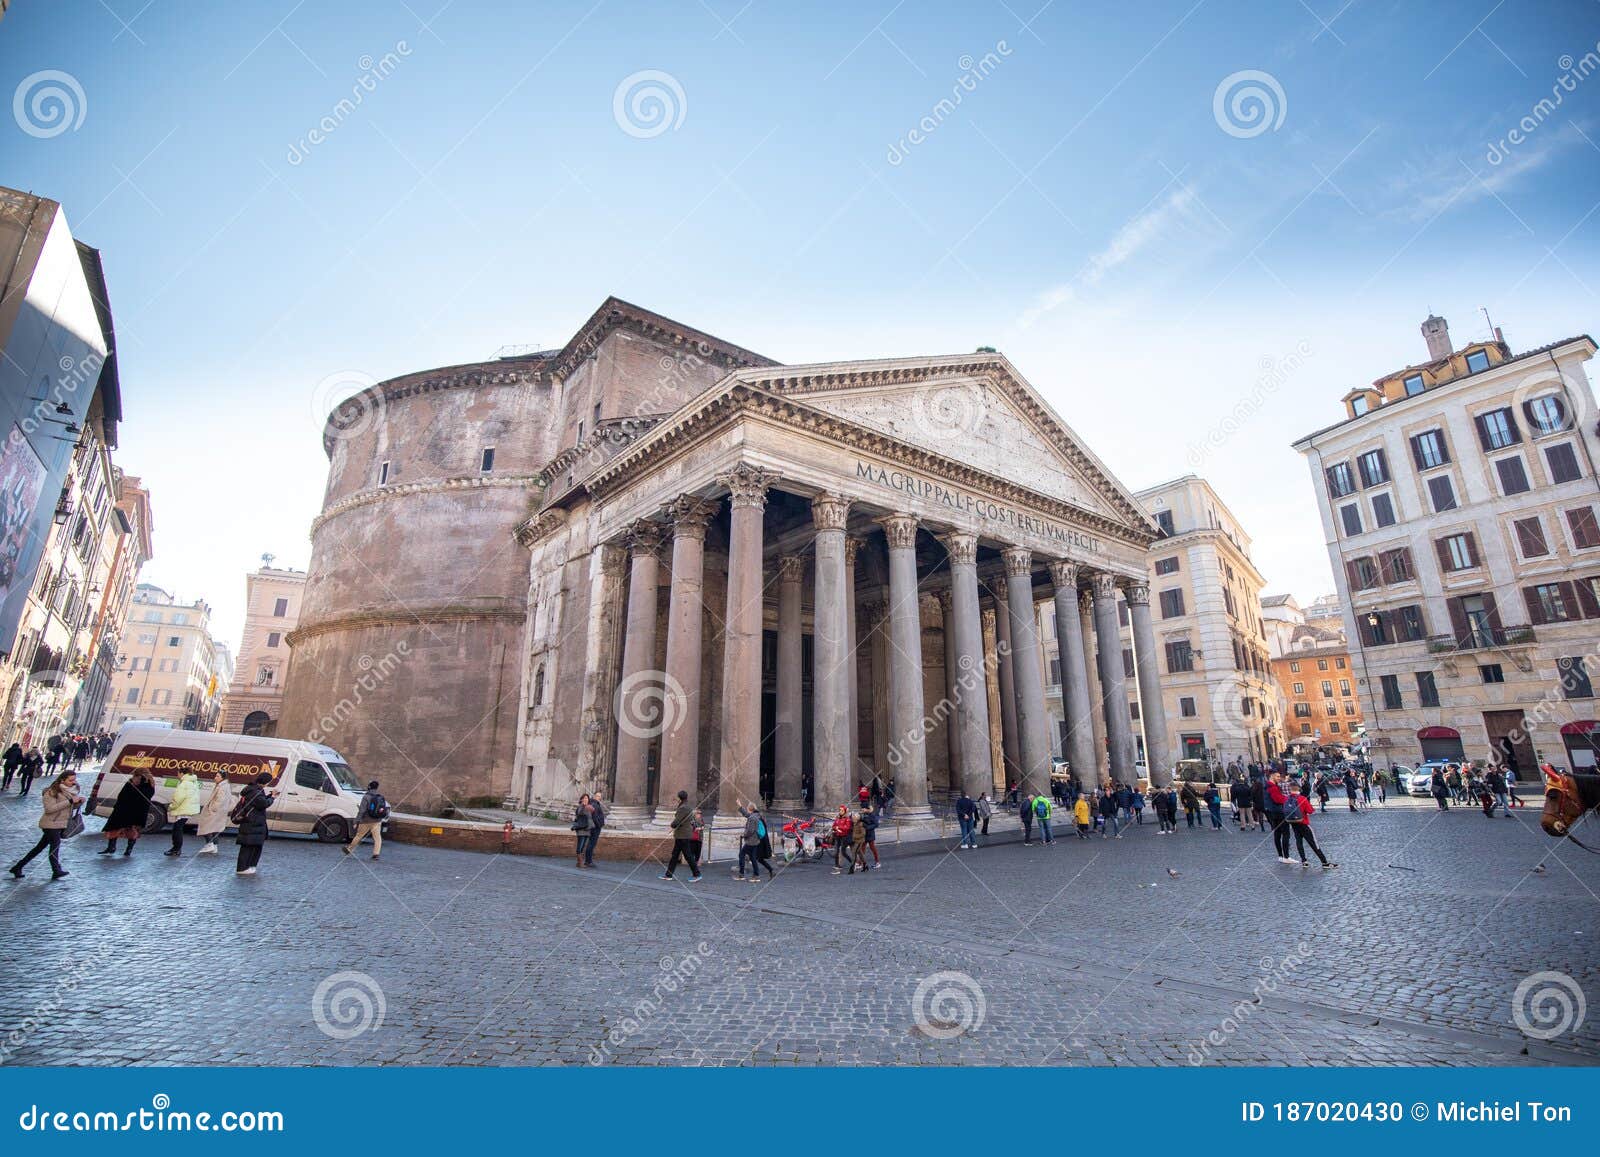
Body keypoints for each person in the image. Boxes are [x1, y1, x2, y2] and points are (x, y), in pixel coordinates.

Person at [8, 769, 82, 880]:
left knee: (39, 848)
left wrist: (78, 802)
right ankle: (56, 870)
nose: (74, 782)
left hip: (60, 824)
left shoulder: (68, 792)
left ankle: (18, 867)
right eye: (71, 780)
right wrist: (70, 801)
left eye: (74, 780)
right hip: (50, 825)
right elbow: (49, 809)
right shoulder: (51, 792)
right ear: (62, 779)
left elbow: (67, 808)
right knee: (54, 847)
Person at [98, 769, 155, 856]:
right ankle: (128, 850)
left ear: (137, 776)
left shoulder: (133, 784)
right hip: (138, 811)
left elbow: (122, 795)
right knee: (132, 829)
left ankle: (112, 847)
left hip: (124, 809)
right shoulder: (150, 785)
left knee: (115, 827)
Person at [233, 771, 276, 875]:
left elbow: (258, 802)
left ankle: (247, 867)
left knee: (251, 846)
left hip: (252, 821)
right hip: (253, 822)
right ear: (265, 782)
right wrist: (272, 797)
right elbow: (263, 804)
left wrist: (269, 796)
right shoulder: (256, 791)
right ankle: (243, 868)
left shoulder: (253, 789)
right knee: (249, 846)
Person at [1288, 782, 1336, 869]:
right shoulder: (1302, 798)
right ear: (1298, 788)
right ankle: (1324, 862)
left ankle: (1304, 861)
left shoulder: (1287, 799)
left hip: (1294, 824)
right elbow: (1310, 810)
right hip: (1304, 823)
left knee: (1299, 842)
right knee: (1313, 843)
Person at [659, 790, 701, 881]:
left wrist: (672, 825)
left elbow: (677, 821)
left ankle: (697, 874)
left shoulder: (683, 808)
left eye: (677, 797)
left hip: (683, 835)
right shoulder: (687, 807)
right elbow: (689, 820)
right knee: (675, 855)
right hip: (682, 835)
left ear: (679, 798)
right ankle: (668, 875)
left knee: (688, 855)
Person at [346, 780, 389, 859]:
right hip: (377, 821)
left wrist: (356, 821)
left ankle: (349, 849)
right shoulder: (380, 797)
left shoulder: (366, 797)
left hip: (365, 821)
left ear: (369, 787)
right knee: (377, 838)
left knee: (359, 836)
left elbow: (362, 811)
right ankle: (376, 854)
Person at [164, 770, 201, 856]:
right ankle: (176, 849)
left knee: (177, 829)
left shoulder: (184, 784)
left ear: (182, 773)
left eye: (178, 773)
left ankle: (176, 849)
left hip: (183, 809)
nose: (177, 775)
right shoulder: (193, 782)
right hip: (188, 809)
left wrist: (171, 807)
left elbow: (178, 799)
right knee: (178, 828)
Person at [196, 771, 230, 855]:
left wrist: (212, 808)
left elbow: (220, 799)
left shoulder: (221, 787)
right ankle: (214, 846)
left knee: (206, 826)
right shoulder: (224, 785)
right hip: (220, 812)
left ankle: (209, 844)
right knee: (215, 829)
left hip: (215, 811)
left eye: (217, 776)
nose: (215, 778)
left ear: (222, 778)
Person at [1264, 771, 1294, 863]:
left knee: (1277, 834)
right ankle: (1286, 856)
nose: (1279, 778)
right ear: (1272, 777)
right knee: (1285, 833)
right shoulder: (1273, 787)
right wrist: (1287, 799)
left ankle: (1280, 856)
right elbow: (1278, 799)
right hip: (1279, 812)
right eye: (1277, 776)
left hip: (1272, 812)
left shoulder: (1267, 786)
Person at [583, 791, 606, 867]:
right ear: (594, 796)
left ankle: (588, 860)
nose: (598, 798)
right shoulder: (595, 805)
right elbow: (595, 817)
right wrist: (599, 825)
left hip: (593, 827)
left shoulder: (594, 804)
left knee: (591, 844)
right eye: (597, 796)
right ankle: (588, 861)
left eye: (600, 796)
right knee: (591, 844)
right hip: (595, 828)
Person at [848, 800, 872, 873]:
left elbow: (863, 834)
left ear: (857, 818)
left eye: (854, 818)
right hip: (855, 840)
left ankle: (852, 868)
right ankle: (865, 865)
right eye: (853, 818)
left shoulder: (861, 824)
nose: (853, 819)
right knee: (860, 853)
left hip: (859, 841)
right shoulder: (854, 823)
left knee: (854, 853)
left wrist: (854, 837)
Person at [571, 792, 594, 868]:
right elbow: (579, 813)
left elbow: (591, 816)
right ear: (581, 799)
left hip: (587, 829)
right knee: (580, 846)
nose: (585, 799)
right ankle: (580, 862)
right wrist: (584, 806)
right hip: (581, 829)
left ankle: (580, 862)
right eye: (584, 798)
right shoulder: (580, 807)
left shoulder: (589, 807)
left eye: (587, 798)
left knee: (584, 846)